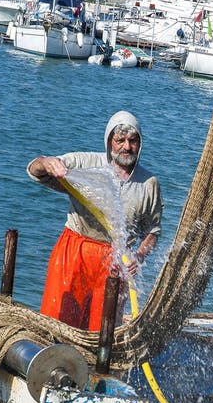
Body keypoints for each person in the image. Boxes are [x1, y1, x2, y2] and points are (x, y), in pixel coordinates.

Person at [28, 110, 163, 331]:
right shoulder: (85, 163)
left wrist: (138, 256)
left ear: (140, 144)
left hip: (116, 262)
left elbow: (153, 231)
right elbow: (35, 171)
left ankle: (93, 365)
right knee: (57, 322)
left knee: (102, 330)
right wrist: (47, 162)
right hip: (75, 251)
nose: (126, 147)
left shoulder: (149, 184)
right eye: (120, 140)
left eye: (133, 141)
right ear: (109, 141)